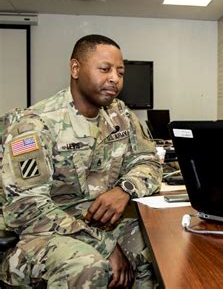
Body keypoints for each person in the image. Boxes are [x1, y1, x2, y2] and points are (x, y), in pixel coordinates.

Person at [0, 34, 162, 288]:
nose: (115, 79)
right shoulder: (34, 124)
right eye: (105, 69)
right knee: (88, 265)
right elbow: (27, 209)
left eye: (120, 72)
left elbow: (149, 162)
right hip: (41, 233)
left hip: (102, 224)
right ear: (75, 68)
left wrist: (125, 189)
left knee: (160, 244)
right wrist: (104, 244)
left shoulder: (120, 115)